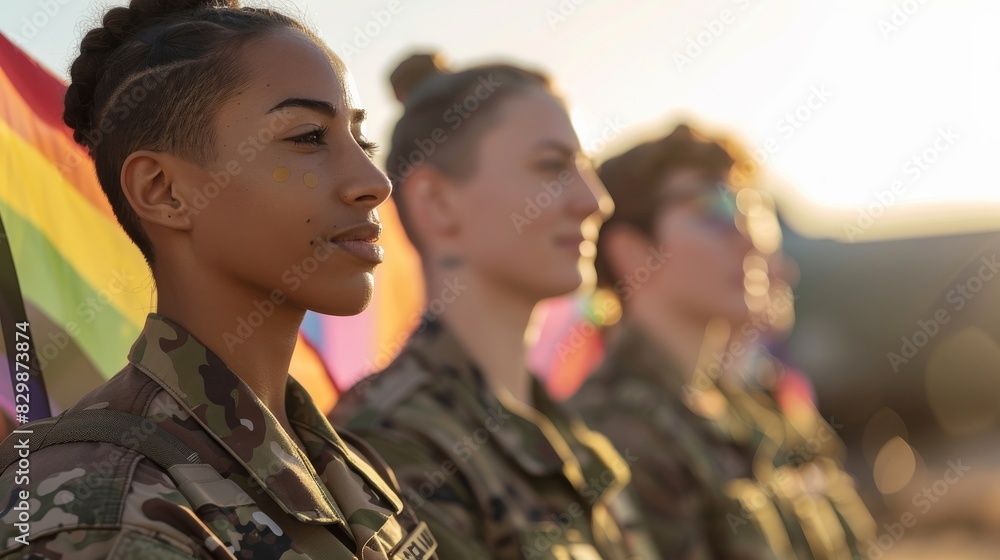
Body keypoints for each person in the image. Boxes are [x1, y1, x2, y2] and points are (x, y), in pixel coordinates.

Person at [0, 1, 437, 558]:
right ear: (163, 190)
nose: (374, 181)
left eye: (361, 141)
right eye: (308, 137)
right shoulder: (104, 508)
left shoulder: (354, 468)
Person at [330, 54, 660, 559]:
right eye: (551, 167)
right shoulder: (389, 444)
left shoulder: (568, 434)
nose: (595, 201)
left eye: (585, 168)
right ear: (437, 202)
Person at [566, 124, 875, 559]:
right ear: (633, 252)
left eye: (749, 209)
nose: (748, 239)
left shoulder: (760, 409)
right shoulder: (612, 436)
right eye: (710, 208)